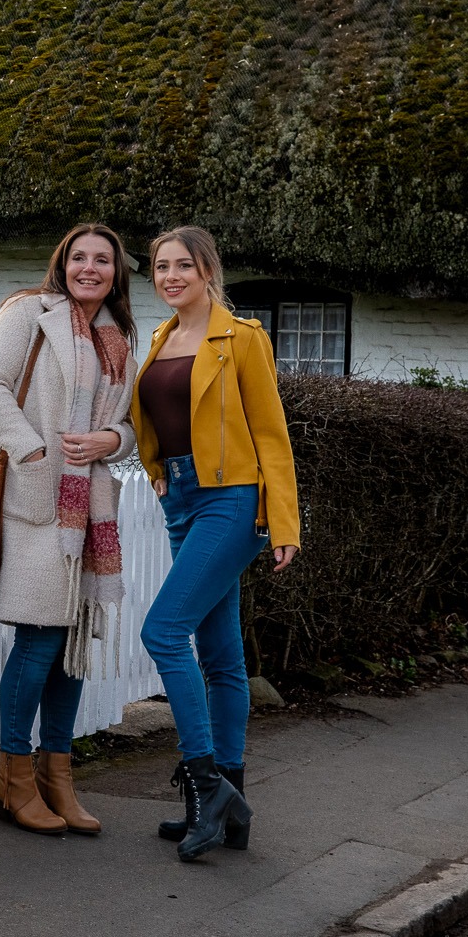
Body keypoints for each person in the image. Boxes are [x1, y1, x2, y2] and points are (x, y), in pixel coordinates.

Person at [132, 226, 299, 862]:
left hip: (230, 500)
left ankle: (206, 787)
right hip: (181, 499)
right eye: (161, 267)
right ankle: (231, 803)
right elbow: (158, 422)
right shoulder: (160, 338)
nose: (171, 277)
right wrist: (157, 472)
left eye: (183, 265)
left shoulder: (243, 338)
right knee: (221, 655)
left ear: (208, 272)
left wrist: (284, 522)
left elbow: (272, 433)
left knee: (163, 632)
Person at [0, 222, 139, 835]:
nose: (89, 268)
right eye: (79, 257)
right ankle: (13, 777)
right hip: (33, 502)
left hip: (87, 511)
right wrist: (34, 452)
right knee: (40, 639)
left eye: (103, 260)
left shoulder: (118, 338)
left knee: (72, 644)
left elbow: (132, 424)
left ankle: (56, 777)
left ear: (116, 274)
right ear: (62, 264)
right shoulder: (27, 313)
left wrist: (111, 440)